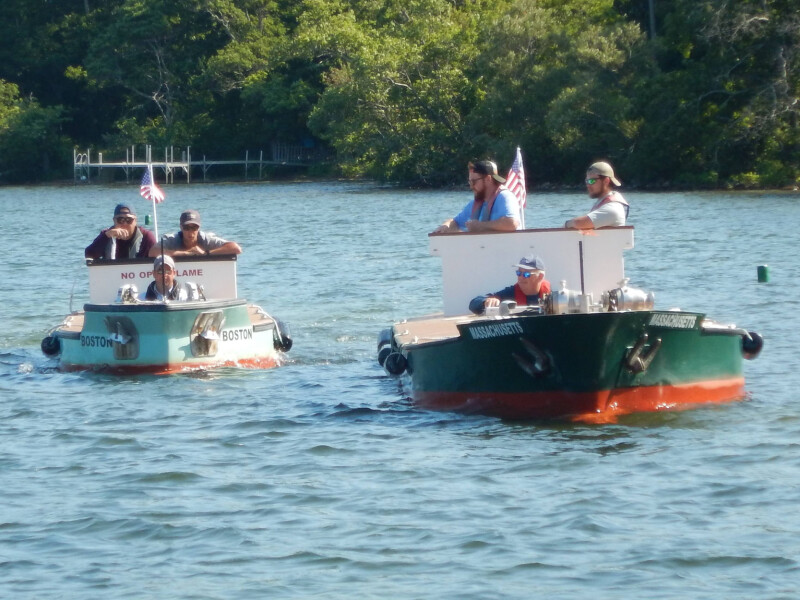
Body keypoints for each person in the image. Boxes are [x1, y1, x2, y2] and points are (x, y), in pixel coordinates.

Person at [433, 160, 522, 233]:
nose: (471, 186)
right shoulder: (475, 204)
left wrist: (480, 226)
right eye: (470, 182)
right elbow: (455, 222)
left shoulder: (505, 197)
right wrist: (445, 226)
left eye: (474, 181)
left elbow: (512, 223)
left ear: (488, 179)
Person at [469, 255, 552, 314]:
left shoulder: (553, 297)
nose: (521, 277)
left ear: (540, 277)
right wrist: (485, 302)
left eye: (526, 274)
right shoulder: (511, 293)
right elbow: (474, 304)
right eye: (519, 273)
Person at [564, 161, 629, 230]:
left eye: (591, 181)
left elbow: (579, 223)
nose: (588, 185)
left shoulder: (613, 208)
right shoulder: (603, 203)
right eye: (587, 181)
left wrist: (566, 224)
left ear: (606, 181)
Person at [150, 209, 242, 257]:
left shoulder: (206, 239)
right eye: (186, 228)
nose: (191, 232)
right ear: (181, 227)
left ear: (199, 227)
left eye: (194, 227)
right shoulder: (172, 239)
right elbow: (153, 252)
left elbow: (236, 248)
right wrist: (185, 253)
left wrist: (206, 253)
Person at [85, 203, 157, 260]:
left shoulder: (146, 236)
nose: (124, 223)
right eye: (120, 219)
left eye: (129, 220)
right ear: (114, 220)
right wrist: (106, 236)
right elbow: (89, 254)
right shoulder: (106, 235)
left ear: (135, 221)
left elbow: (158, 259)